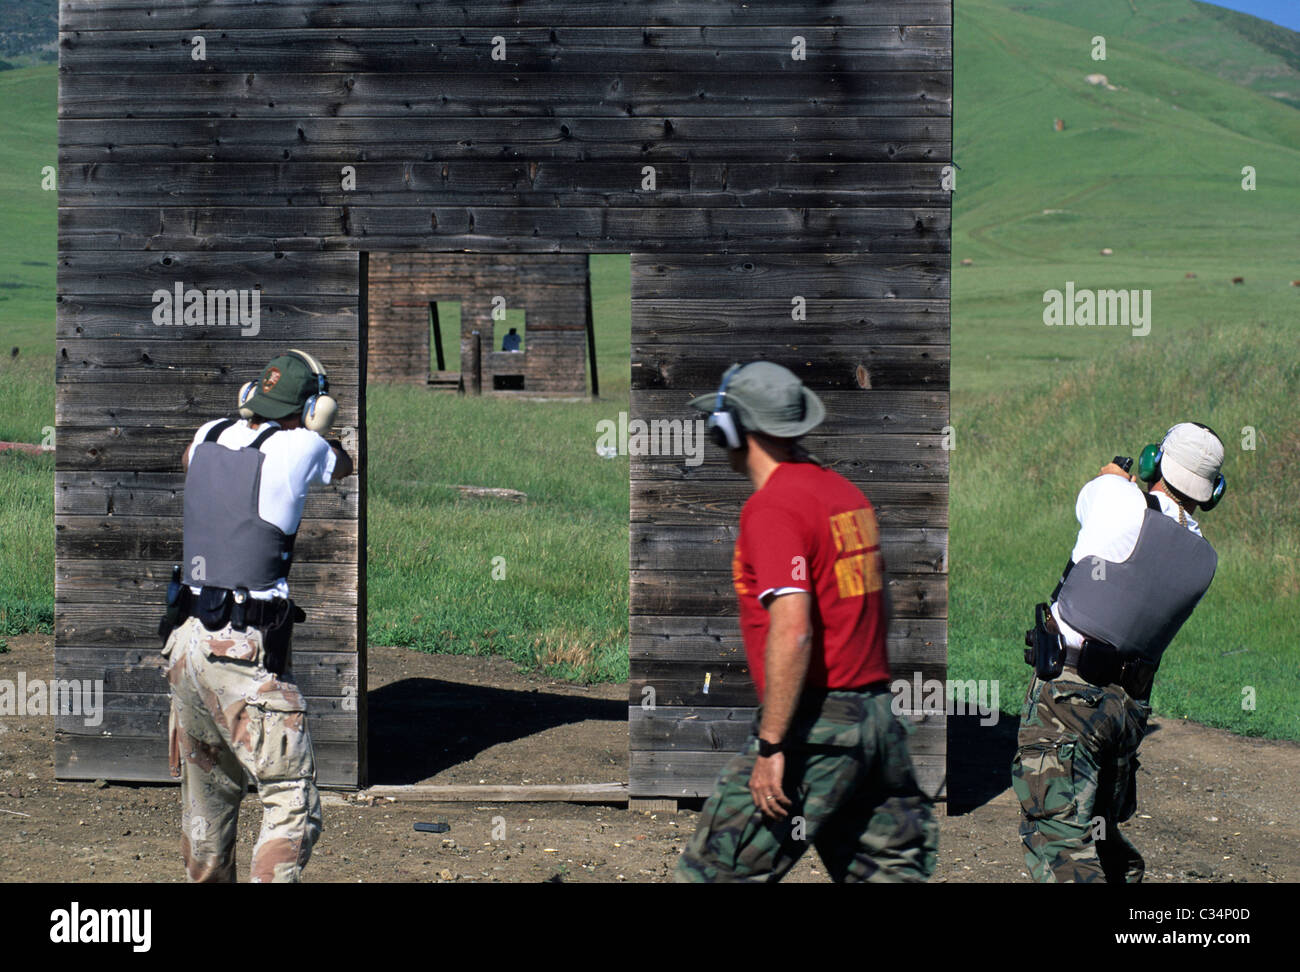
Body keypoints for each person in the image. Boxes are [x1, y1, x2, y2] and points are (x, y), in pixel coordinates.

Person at [674, 361, 937, 883]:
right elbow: (879, 607)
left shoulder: (773, 508)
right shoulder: (846, 496)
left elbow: (794, 628)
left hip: (817, 728)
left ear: (733, 428)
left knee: (712, 875)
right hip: (877, 723)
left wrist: (773, 745)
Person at [159, 350, 354, 882]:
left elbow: (187, 459)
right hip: (242, 654)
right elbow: (343, 467)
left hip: (186, 643)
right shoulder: (303, 446)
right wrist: (319, 430)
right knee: (292, 803)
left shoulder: (208, 434)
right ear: (312, 407)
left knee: (209, 795)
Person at [1012, 422, 1225, 883]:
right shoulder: (1203, 557)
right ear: (1212, 490)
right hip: (1126, 712)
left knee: (1059, 839)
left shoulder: (1117, 497)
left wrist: (1115, 476)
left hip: (1069, 697)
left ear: (1153, 461)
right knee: (1099, 833)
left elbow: (1093, 498)